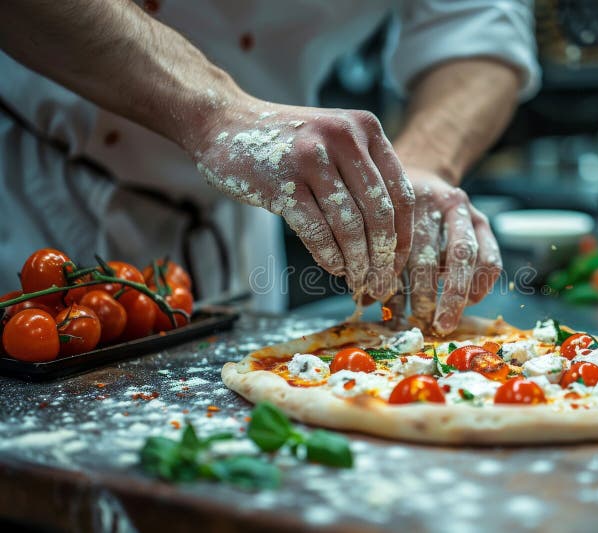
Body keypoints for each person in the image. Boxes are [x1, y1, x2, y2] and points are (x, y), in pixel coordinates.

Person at [0, 0, 538, 335]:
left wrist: (419, 166)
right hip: (35, 194)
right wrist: (215, 112)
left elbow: (480, 23)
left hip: (235, 219)